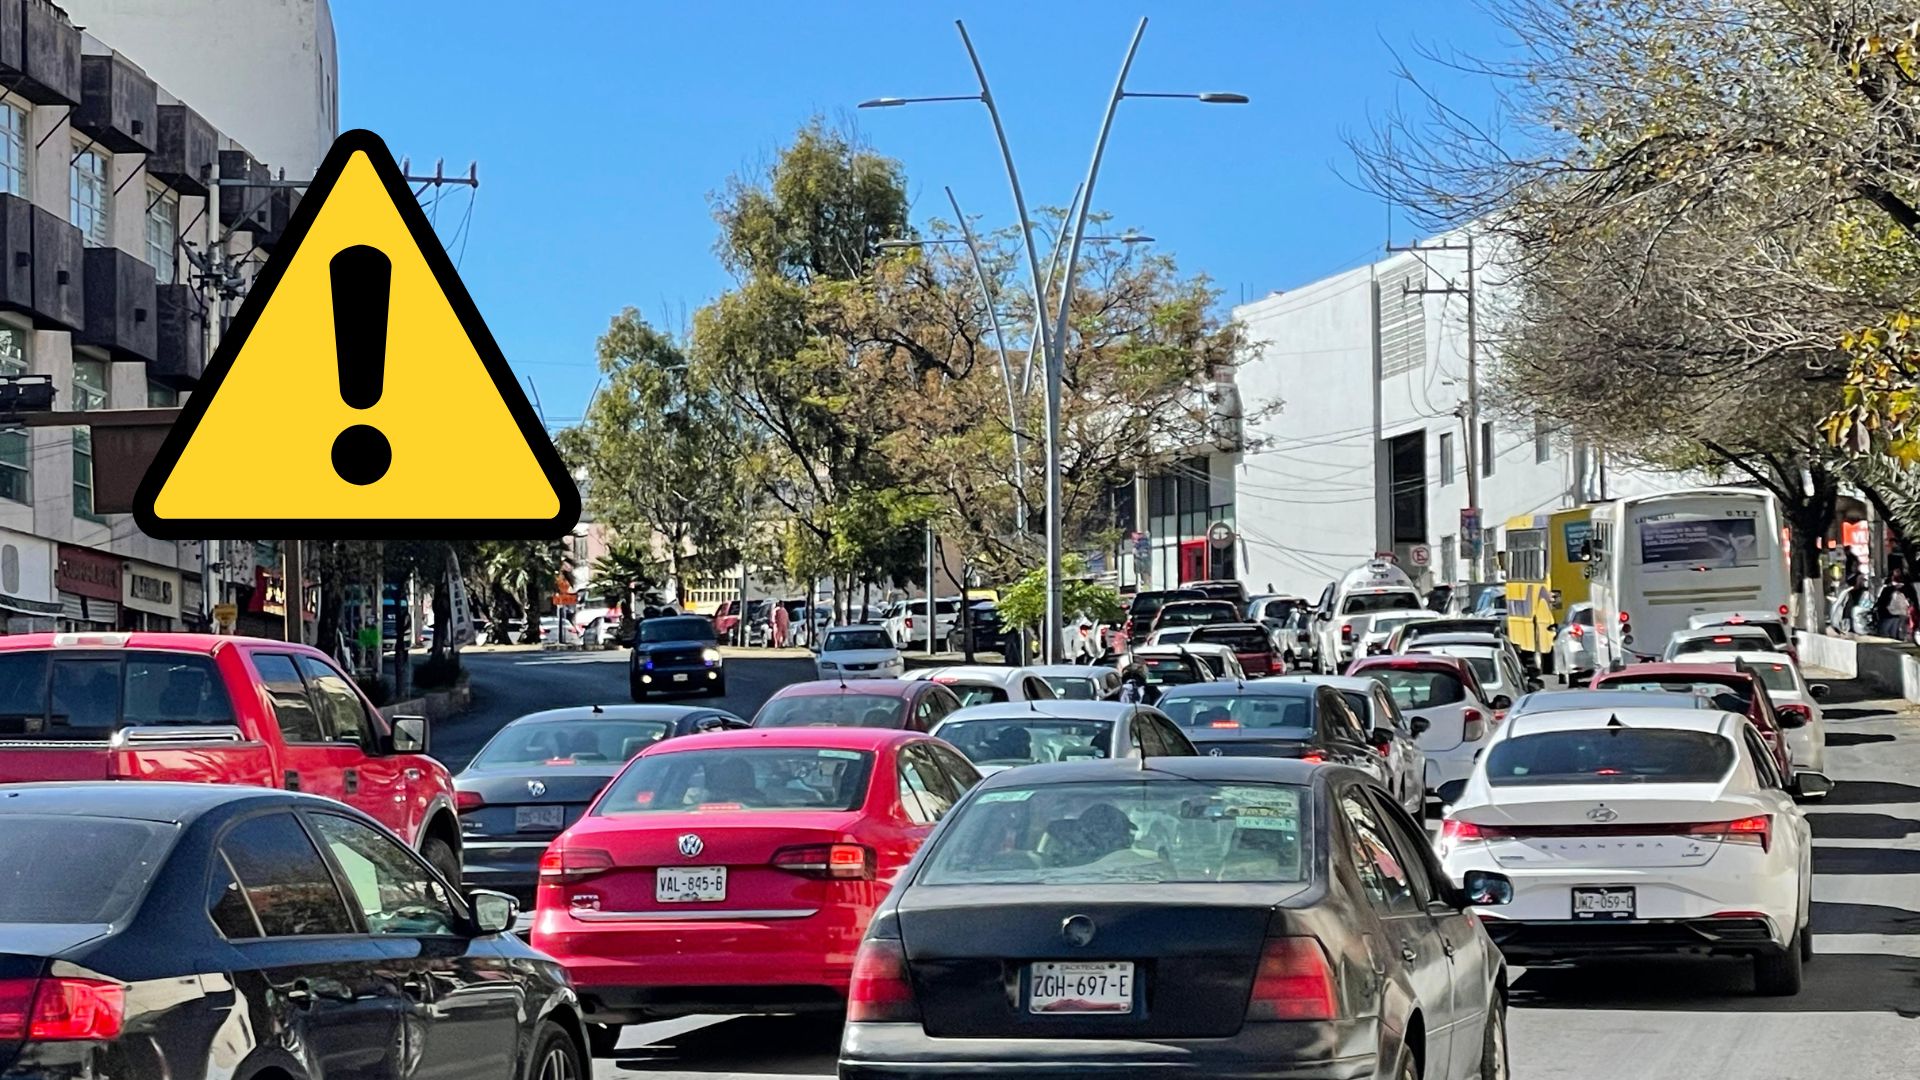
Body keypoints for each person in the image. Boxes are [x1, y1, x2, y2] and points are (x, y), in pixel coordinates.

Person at [1874, 571, 1918, 640]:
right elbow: (1912, 602)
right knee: (1895, 634)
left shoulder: (1888, 589)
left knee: (1885, 633)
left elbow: (1880, 603)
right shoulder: (1908, 589)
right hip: (1899, 615)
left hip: (1889, 615)